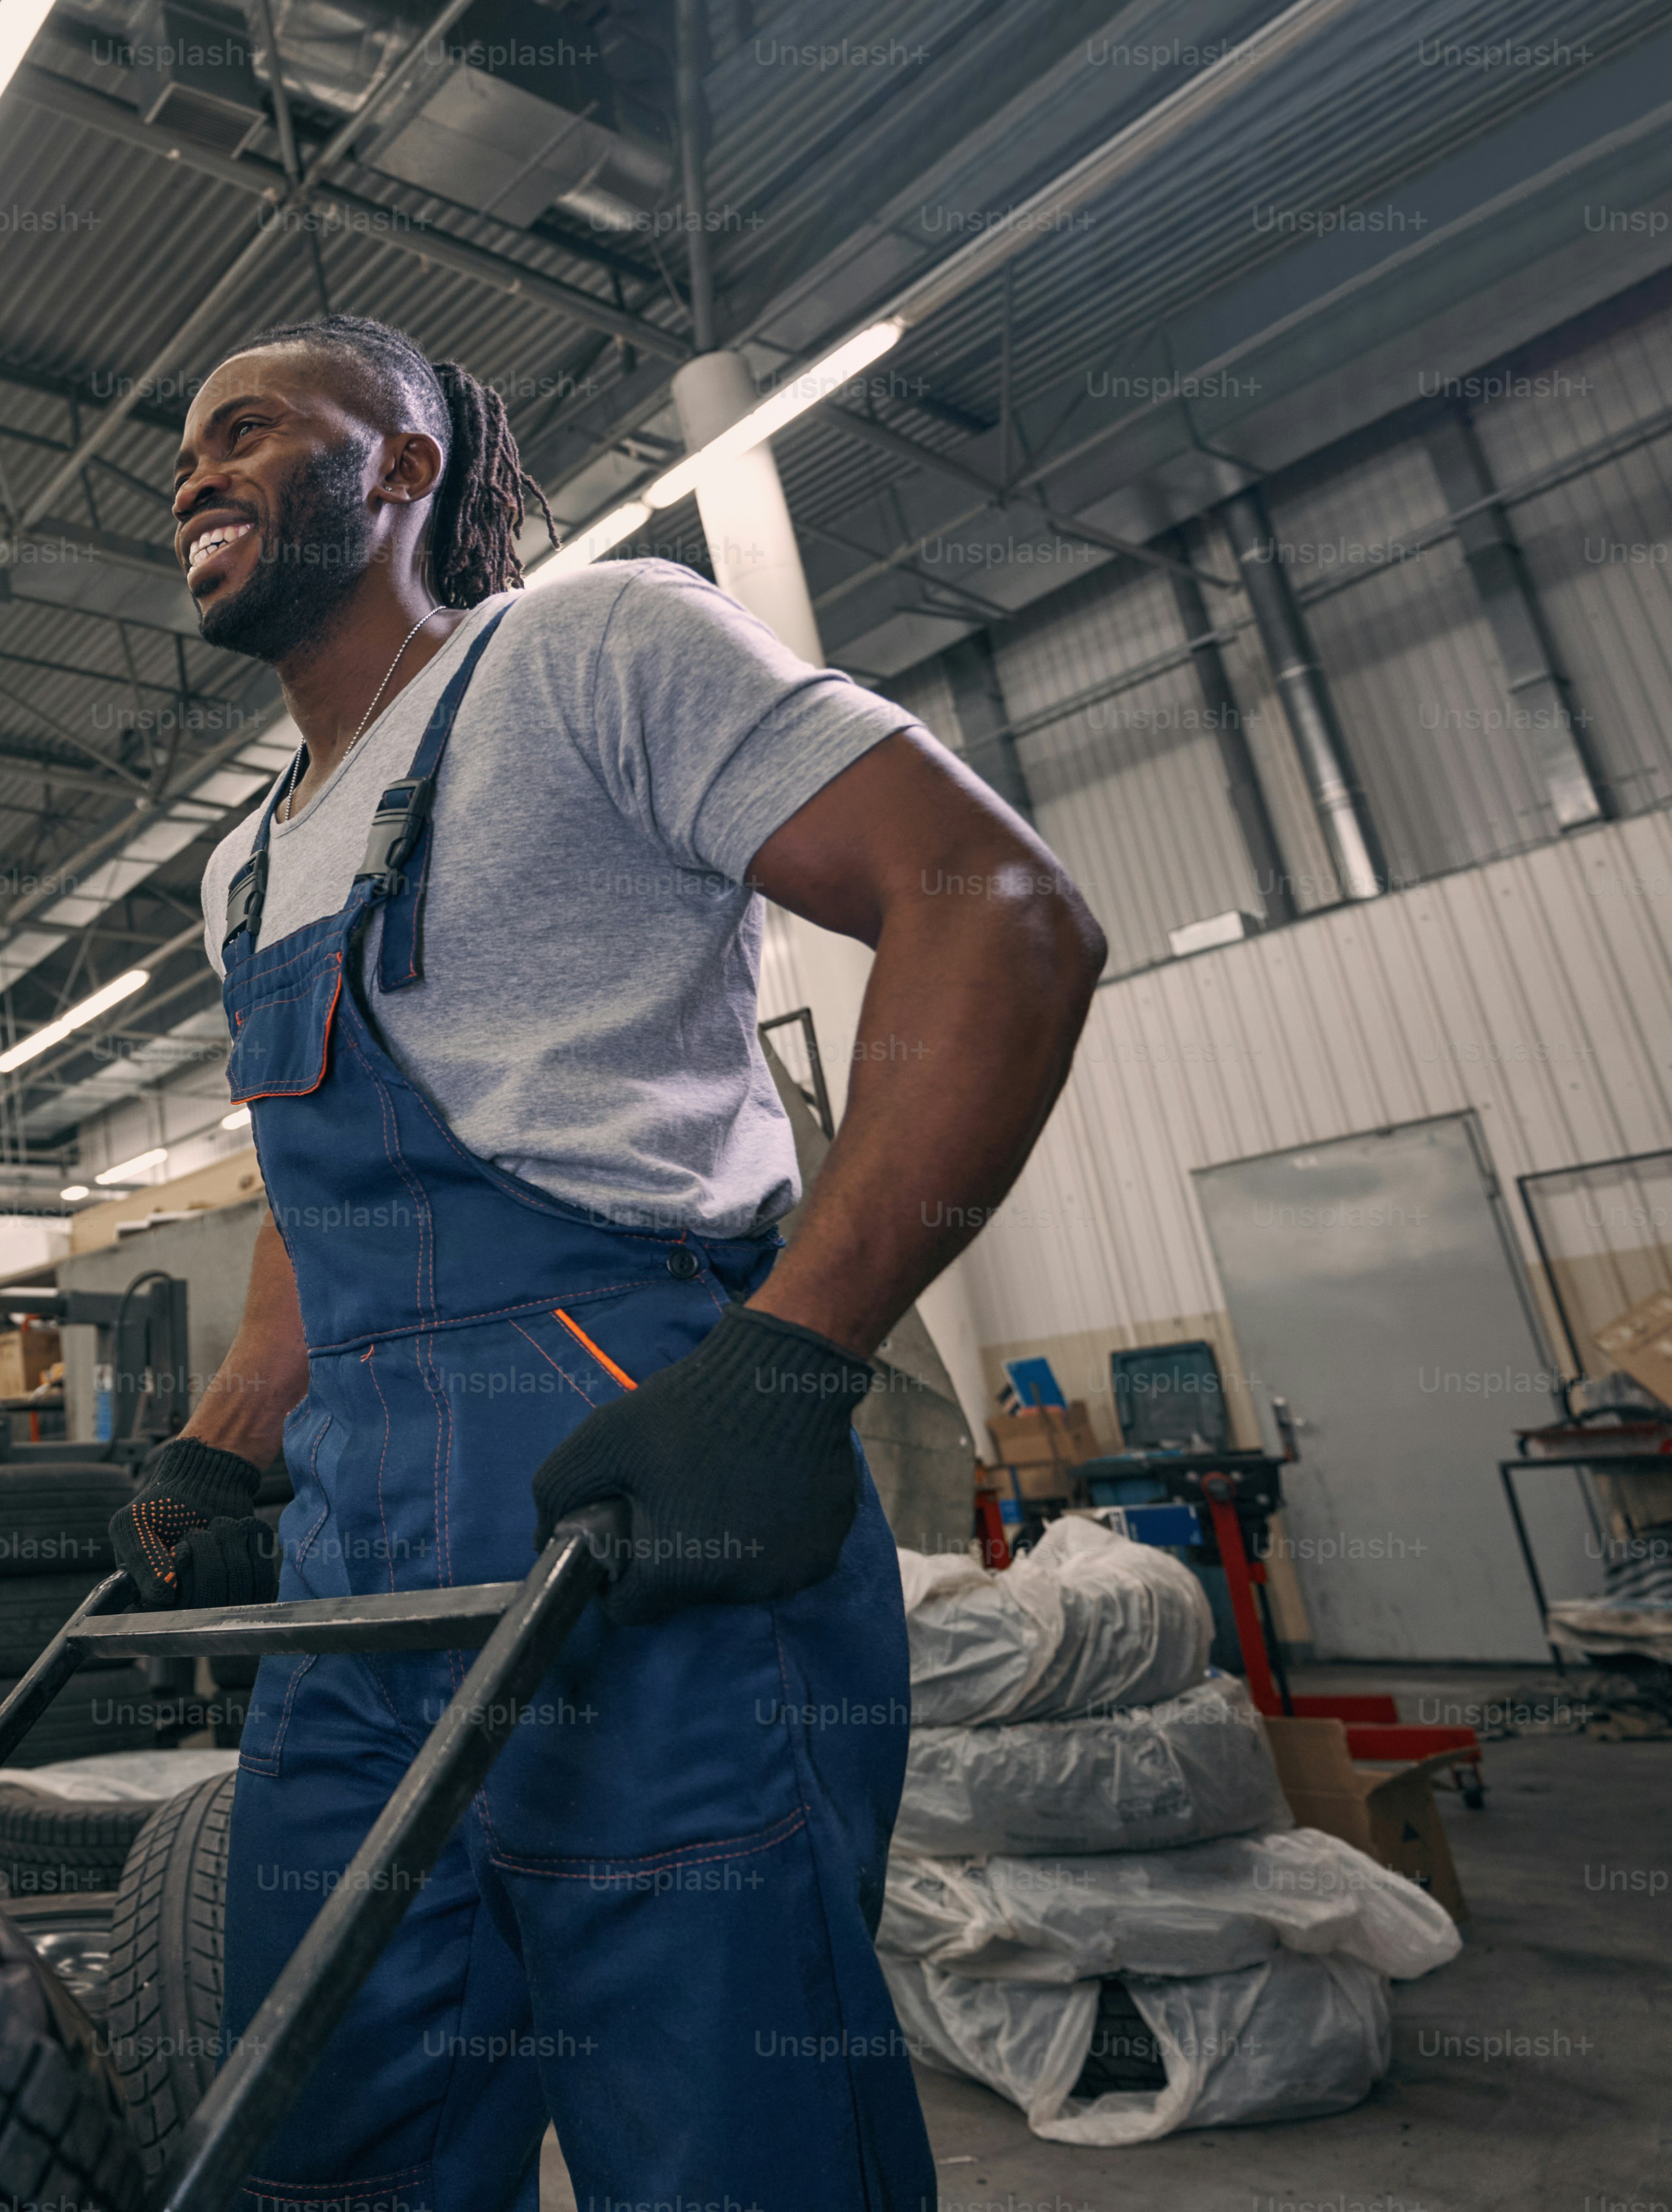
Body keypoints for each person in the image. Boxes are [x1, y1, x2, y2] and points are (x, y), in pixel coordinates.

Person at [100, 316, 1104, 2211]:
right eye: (183, 451)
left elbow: (1001, 912)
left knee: (728, 2138)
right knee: (327, 2131)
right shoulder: (241, 865)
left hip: (637, 1503)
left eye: (248, 430)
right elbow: (322, 1201)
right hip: (360, 1571)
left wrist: (796, 1361)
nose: (193, 473)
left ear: (401, 467)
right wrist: (234, 1436)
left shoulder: (588, 650)